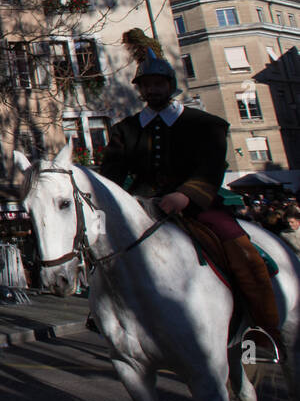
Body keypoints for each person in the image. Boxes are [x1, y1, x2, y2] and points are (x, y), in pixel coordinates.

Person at [98, 49, 285, 361]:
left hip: (197, 205)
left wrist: (185, 195)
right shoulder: (125, 129)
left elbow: (211, 167)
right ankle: (103, 313)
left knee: (242, 249)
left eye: (158, 84)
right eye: (146, 85)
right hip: (143, 206)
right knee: (106, 250)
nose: (152, 90)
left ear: (171, 85)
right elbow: (111, 175)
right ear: (140, 89)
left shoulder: (204, 124)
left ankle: (262, 329)